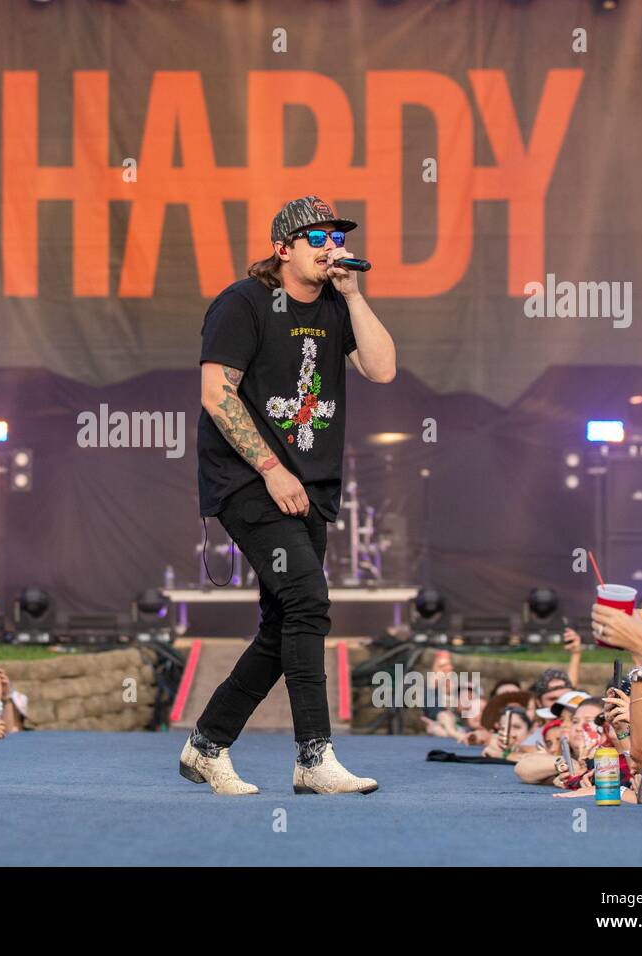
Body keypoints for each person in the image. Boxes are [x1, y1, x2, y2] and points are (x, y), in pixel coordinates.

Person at [183, 196, 396, 795]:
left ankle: (206, 746)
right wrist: (273, 469)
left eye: (337, 236)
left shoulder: (336, 304)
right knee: (308, 602)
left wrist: (355, 296)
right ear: (283, 249)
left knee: (283, 628)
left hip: (312, 487)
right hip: (250, 482)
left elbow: (382, 369)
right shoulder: (242, 303)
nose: (332, 246)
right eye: (318, 237)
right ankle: (312, 756)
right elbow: (216, 394)